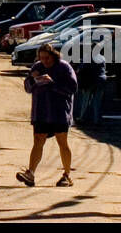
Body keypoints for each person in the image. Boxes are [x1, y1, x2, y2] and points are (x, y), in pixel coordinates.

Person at [16, 43, 78, 189]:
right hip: (41, 111)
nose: (44, 61)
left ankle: (67, 175)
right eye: (42, 58)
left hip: (59, 111)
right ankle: (30, 174)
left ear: (53, 55)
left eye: (47, 58)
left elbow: (72, 87)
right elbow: (27, 88)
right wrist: (32, 79)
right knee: (38, 140)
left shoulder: (64, 67)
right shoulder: (37, 67)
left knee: (62, 142)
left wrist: (52, 83)